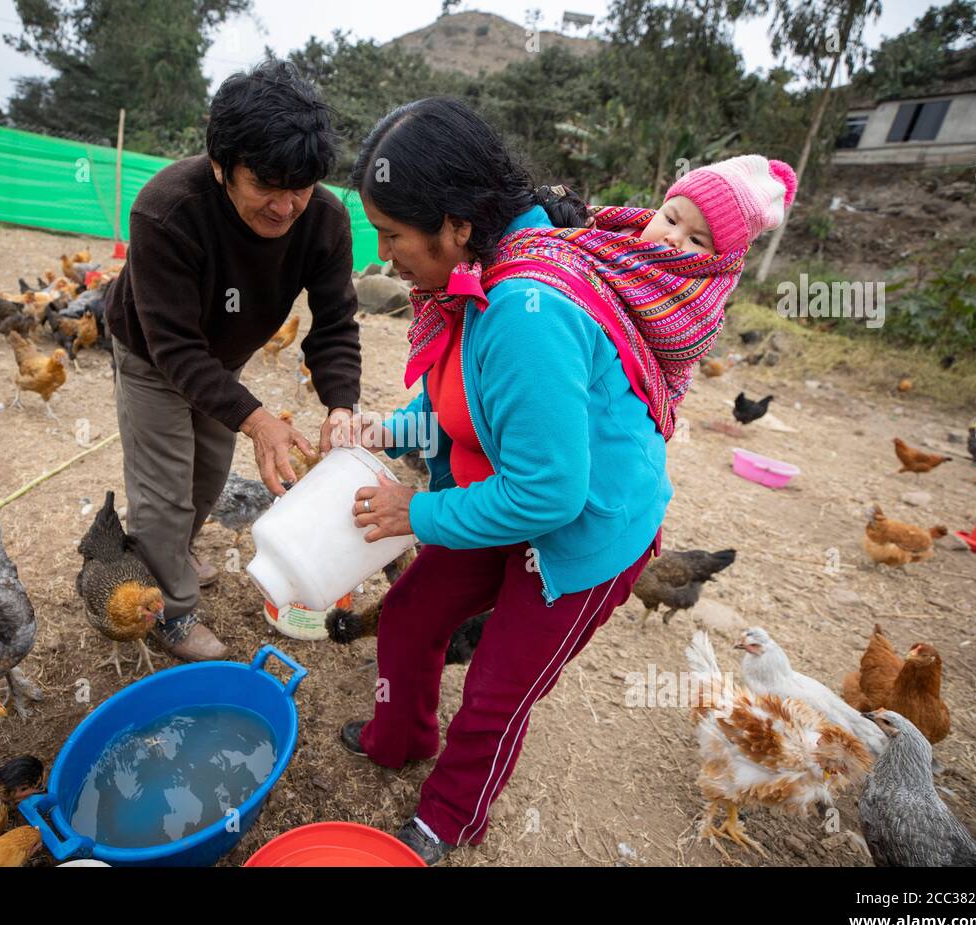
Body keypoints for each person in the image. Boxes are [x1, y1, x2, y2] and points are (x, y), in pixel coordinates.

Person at [337, 98, 793, 864]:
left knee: (494, 691)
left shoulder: (525, 305)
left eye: (391, 234)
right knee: (413, 615)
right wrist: (387, 428)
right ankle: (400, 736)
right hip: (507, 492)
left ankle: (447, 819)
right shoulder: (483, 267)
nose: (384, 255)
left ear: (454, 223)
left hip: (580, 529)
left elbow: (549, 495)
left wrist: (419, 511)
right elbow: (464, 399)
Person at [104, 60, 362, 662]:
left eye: (301, 186)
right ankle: (168, 611)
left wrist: (341, 406)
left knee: (208, 476)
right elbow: (174, 348)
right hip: (153, 353)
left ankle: (175, 551)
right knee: (164, 487)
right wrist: (261, 420)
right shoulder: (167, 210)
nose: (286, 205)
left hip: (225, 356)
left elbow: (335, 324)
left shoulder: (323, 219)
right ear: (222, 166)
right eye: (267, 186)